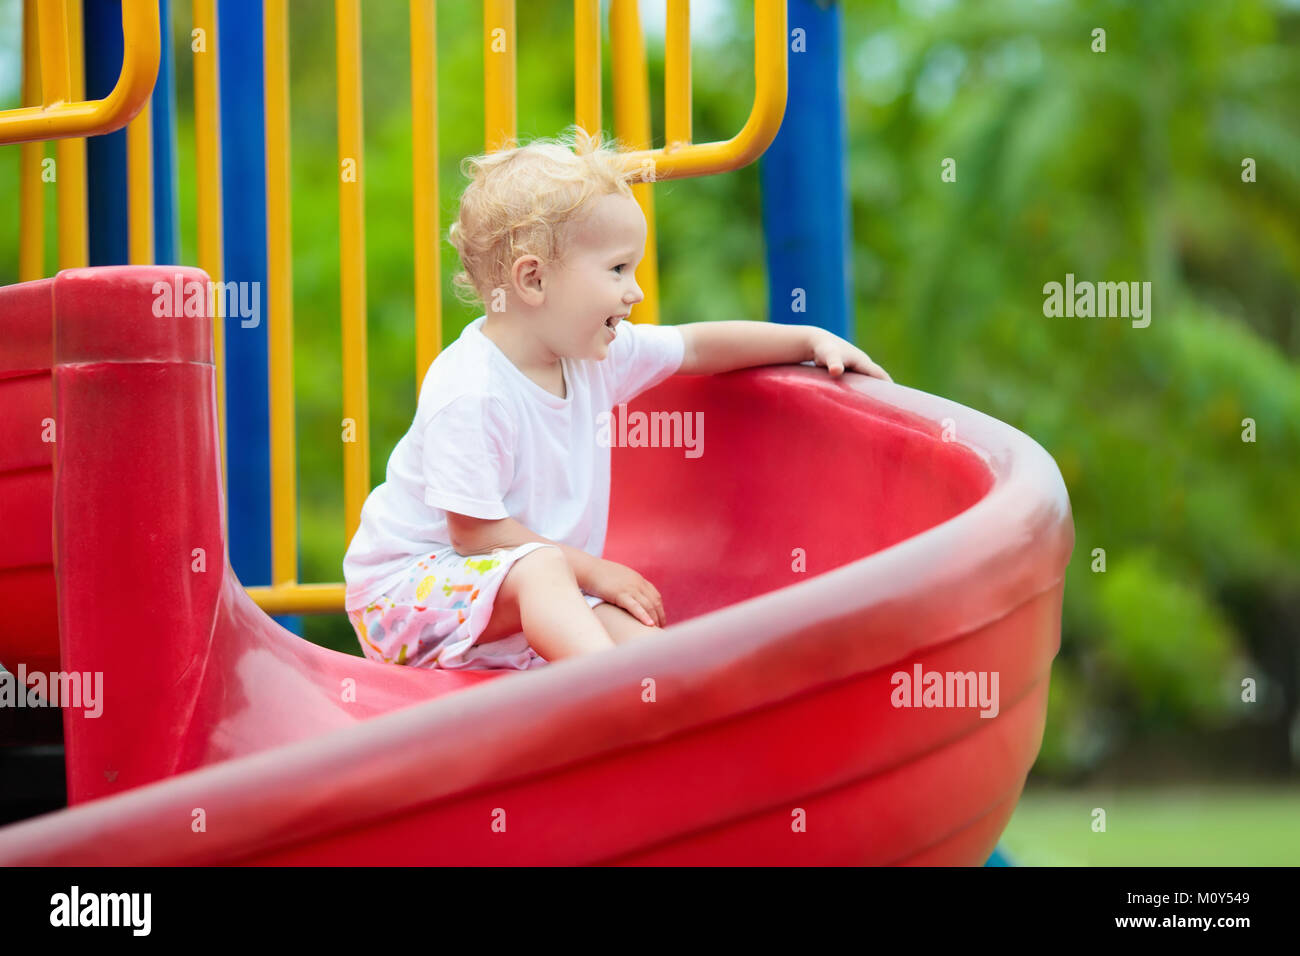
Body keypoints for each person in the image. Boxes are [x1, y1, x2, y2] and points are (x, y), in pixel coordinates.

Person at [343, 125, 891, 670]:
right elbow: (476, 534)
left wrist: (808, 339)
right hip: (404, 601)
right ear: (532, 281)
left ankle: (670, 712)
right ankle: (613, 706)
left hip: (516, 592)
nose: (636, 291)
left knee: (641, 643)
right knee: (547, 573)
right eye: (617, 269)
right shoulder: (472, 389)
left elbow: (695, 345)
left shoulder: (590, 355)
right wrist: (594, 571)